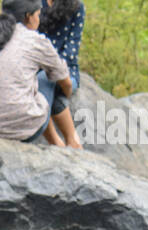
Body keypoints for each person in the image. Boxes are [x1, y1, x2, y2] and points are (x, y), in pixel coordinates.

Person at [0, 0, 75, 147]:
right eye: (38, 14)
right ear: (29, 16)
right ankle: (70, 141)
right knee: (46, 79)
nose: (39, 19)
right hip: (23, 131)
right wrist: (67, 95)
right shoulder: (36, 41)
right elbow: (65, 81)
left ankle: (58, 142)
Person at [40, 0, 85, 147]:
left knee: (41, 83)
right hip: (36, 65)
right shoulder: (34, 4)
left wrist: (52, 69)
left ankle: (64, 141)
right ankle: (68, 141)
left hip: (65, 69)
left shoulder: (76, 6)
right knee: (44, 89)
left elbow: (71, 51)